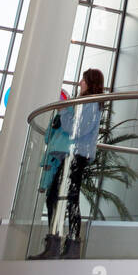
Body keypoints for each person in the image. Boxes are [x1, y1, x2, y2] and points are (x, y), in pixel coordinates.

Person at [57, 68, 104, 259]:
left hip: (78, 154)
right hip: (78, 154)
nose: (80, 83)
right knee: (69, 195)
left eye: (83, 80)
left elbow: (77, 129)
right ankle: (71, 240)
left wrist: (63, 113)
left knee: (71, 196)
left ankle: (73, 240)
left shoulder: (90, 104)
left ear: (89, 82)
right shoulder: (90, 104)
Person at [29, 89, 72, 260]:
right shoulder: (57, 116)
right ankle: (52, 238)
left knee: (57, 198)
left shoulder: (69, 113)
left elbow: (70, 130)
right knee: (50, 199)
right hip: (54, 158)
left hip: (64, 158)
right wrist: (54, 122)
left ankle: (57, 238)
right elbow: (48, 138)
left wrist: (63, 113)